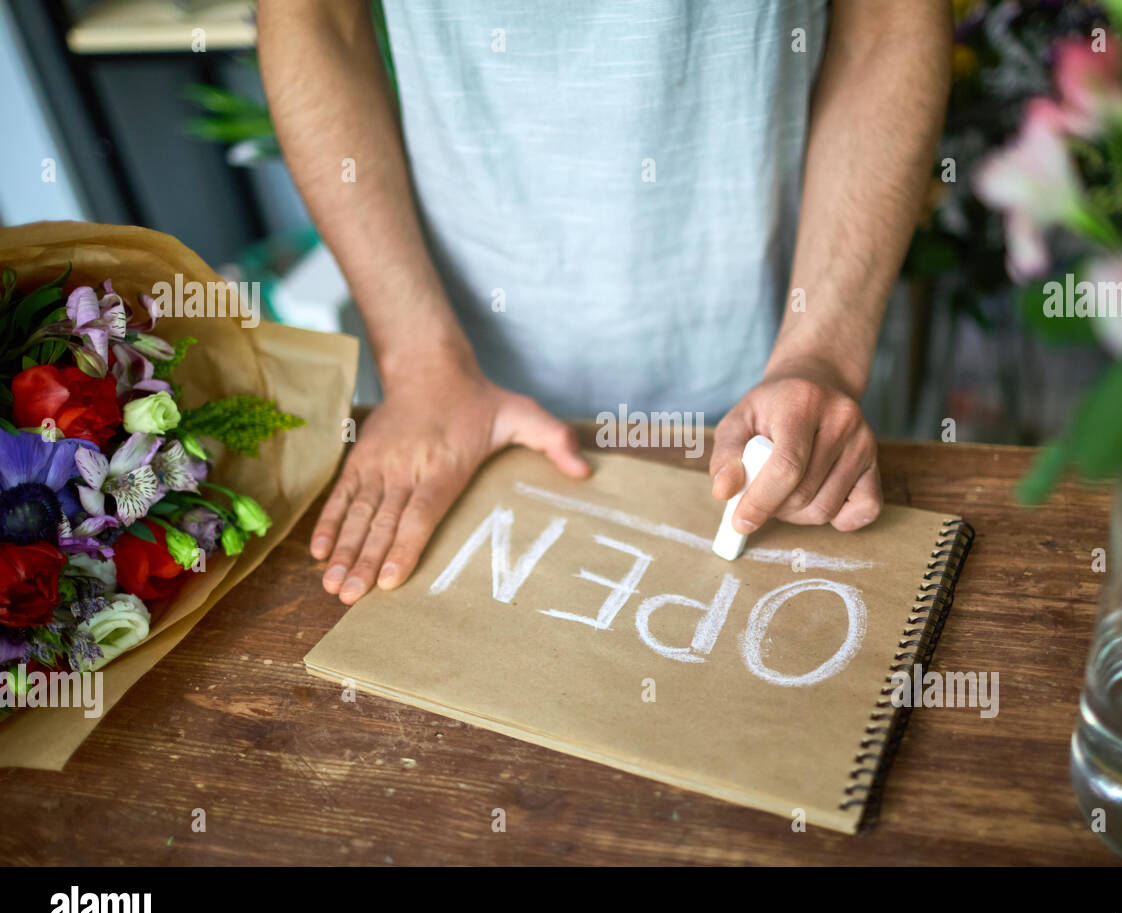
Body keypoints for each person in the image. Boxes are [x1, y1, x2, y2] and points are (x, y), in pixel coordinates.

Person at [259, 0, 951, 605]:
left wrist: (822, 355)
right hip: (458, 370)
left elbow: (886, 22)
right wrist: (418, 363)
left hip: (786, 342)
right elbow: (316, 19)